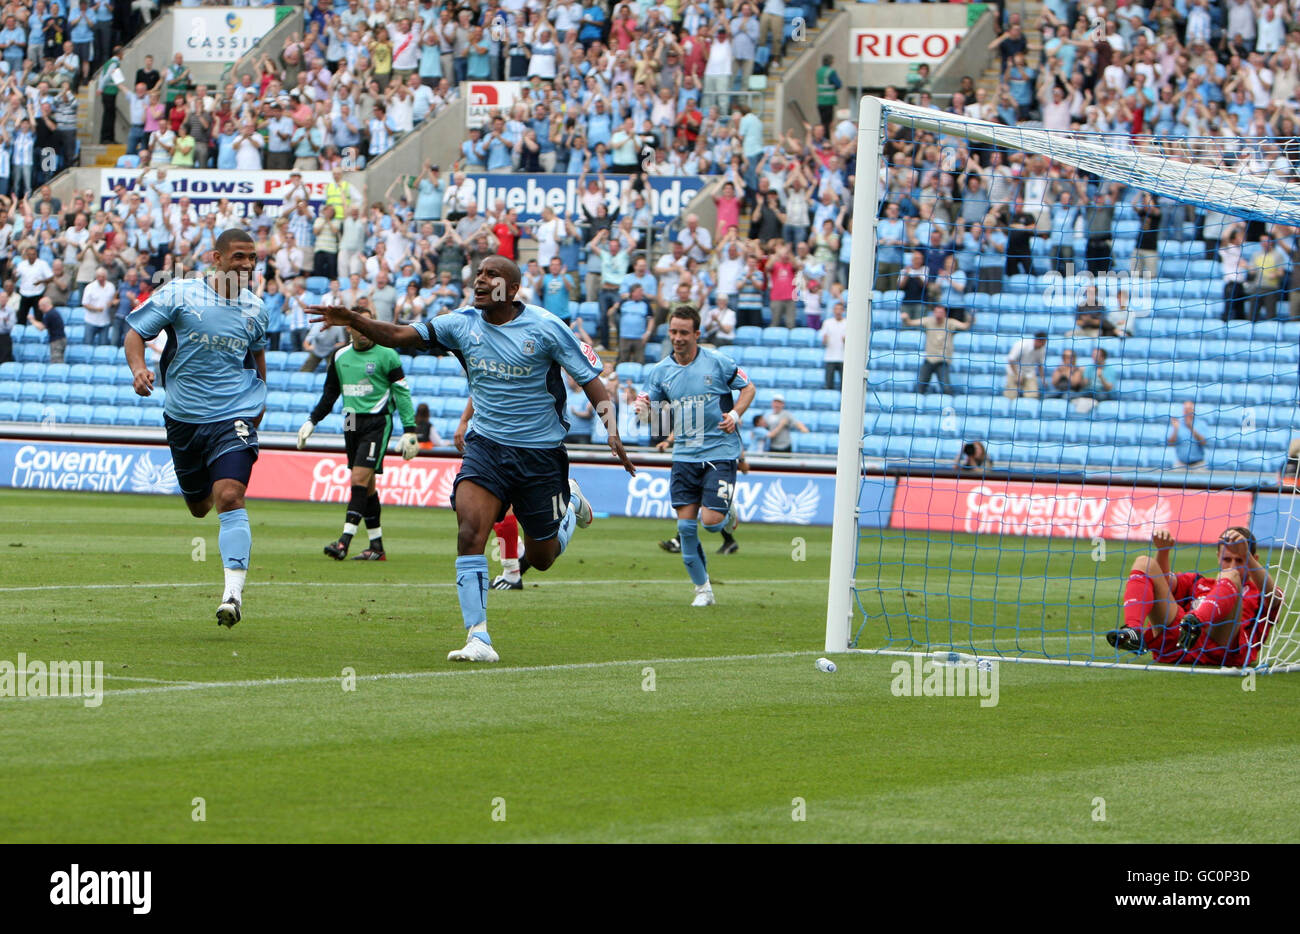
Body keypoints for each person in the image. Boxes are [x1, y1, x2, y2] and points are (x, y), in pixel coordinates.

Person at [308, 255, 634, 662]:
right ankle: (478, 637)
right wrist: (354, 320)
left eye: (491, 275)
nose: (480, 279)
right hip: (488, 447)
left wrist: (612, 429)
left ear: (512, 290)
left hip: (540, 455)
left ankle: (570, 508)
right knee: (469, 531)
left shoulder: (547, 328)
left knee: (541, 557)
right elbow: (396, 334)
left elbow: (590, 381)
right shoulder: (459, 324)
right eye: (478, 273)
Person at [124, 228, 268, 628]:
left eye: (252, 258)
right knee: (199, 505)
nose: (247, 265)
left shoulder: (256, 308)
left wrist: (260, 398)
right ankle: (202, 488)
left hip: (234, 414)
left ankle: (232, 596)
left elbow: (257, 353)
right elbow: (136, 332)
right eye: (239, 256)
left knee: (230, 495)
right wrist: (139, 369)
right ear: (216, 258)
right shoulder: (179, 294)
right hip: (184, 417)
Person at [638, 306, 754, 606]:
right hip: (685, 456)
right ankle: (703, 590)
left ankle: (726, 512)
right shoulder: (661, 371)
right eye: (673, 332)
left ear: (697, 334)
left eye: (683, 333)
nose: (677, 338)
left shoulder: (718, 362)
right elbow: (657, 414)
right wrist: (643, 409)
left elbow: (748, 388)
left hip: (720, 451)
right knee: (686, 528)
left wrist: (734, 414)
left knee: (712, 523)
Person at [297, 308, 420, 561]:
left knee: (358, 479)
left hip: (377, 421)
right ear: (349, 328)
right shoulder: (340, 356)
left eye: (368, 326)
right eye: (358, 326)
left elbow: (402, 394)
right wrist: (312, 420)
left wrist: (410, 430)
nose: (363, 332)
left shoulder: (388, 355)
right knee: (367, 485)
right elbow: (330, 393)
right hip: (351, 420)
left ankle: (344, 541)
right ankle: (376, 547)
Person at [1107, 527, 1282, 669]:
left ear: (1254, 559)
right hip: (1180, 644)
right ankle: (1133, 630)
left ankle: (1196, 621)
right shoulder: (1200, 582)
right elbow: (1161, 583)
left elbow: (1275, 599)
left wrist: (1248, 557)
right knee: (1144, 562)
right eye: (1227, 559)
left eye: (1240, 560)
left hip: (1222, 650)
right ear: (1218, 557)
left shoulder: (1258, 591)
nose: (1232, 565)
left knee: (1230, 577)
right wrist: (1163, 551)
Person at [902, 304, 970, 396]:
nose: (938, 314)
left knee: (946, 388)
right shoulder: (928, 321)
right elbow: (910, 323)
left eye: (941, 312)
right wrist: (905, 318)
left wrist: (971, 319)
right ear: (934, 313)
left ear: (945, 313)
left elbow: (965, 326)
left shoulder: (950, 322)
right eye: (937, 312)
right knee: (920, 386)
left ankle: (949, 405)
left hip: (942, 360)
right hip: (929, 359)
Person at [1004, 331, 1047, 399]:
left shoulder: (1042, 349)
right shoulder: (1021, 345)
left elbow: (1040, 365)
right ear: (1037, 340)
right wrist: (1017, 375)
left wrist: (1043, 379)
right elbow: (1011, 360)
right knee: (1011, 396)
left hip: (1029, 373)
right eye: (1043, 343)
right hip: (1014, 371)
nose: (1043, 345)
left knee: (1033, 396)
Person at [1168, 400, 1207, 466]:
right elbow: (1170, 443)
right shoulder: (1177, 424)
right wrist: (1175, 430)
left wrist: (1191, 427)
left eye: (1189, 409)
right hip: (1181, 464)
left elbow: (1204, 442)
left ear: (1193, 411)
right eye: (1186, 409)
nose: (1187, 411)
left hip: (1198, 464)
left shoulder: (1201, 423)